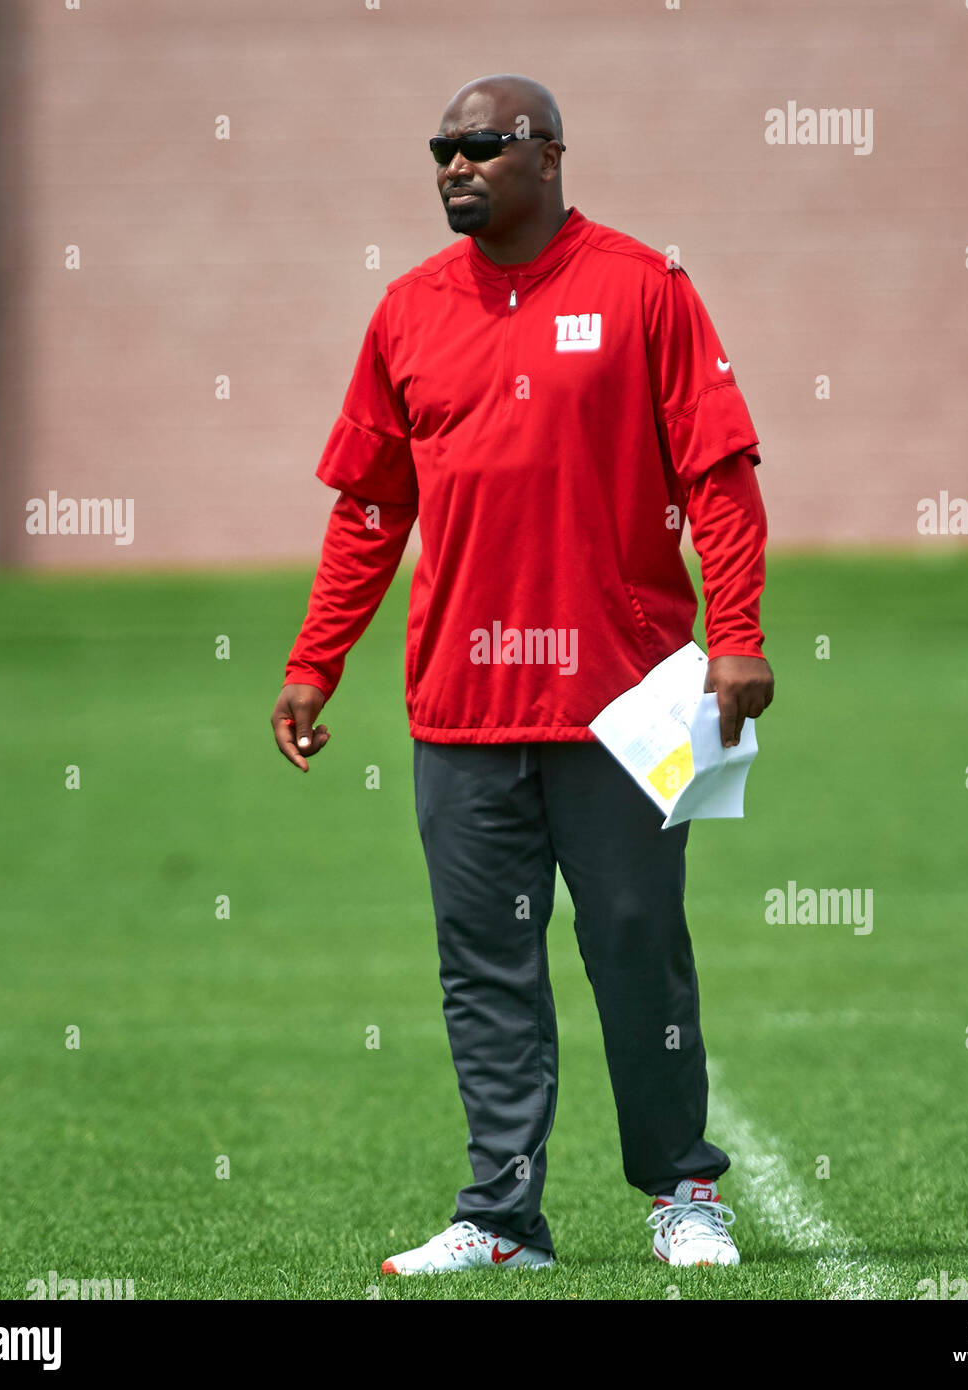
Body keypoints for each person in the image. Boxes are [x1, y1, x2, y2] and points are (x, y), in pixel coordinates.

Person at [272, 74, 774, 1275]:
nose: (455, 165)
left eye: (482, 146)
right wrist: (312, 660)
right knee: (482, 965)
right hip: (461, 705)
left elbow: (718, 474)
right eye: (441, 148)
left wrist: (740, 631)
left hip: (624, 700)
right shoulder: (406, 312)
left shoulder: (646, 287)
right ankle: (501, 1219)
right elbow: (369, 509)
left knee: (635, 945)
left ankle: (682, 1193)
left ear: (548, 156)